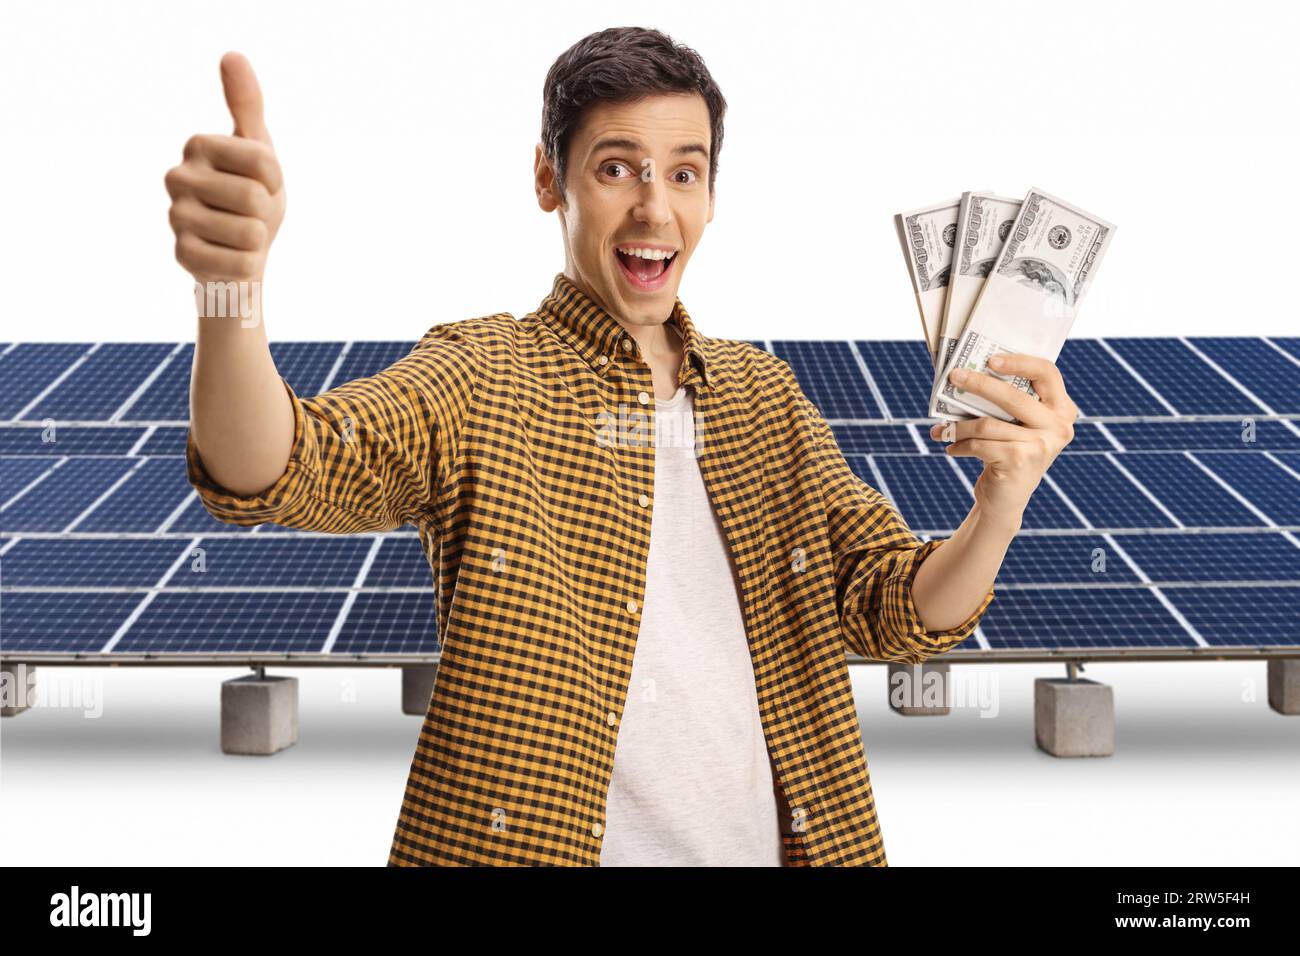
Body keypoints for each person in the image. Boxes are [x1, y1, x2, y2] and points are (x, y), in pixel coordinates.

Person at [166, 28, 1078, 867]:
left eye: (685, 173)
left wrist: (999, 509)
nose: (654, 206)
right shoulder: (483, 373)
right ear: (546, 179)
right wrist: (228, 292)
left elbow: (893, 609)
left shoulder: (767, 399)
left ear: (713, 195)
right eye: (616, 168)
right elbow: (280, 467)